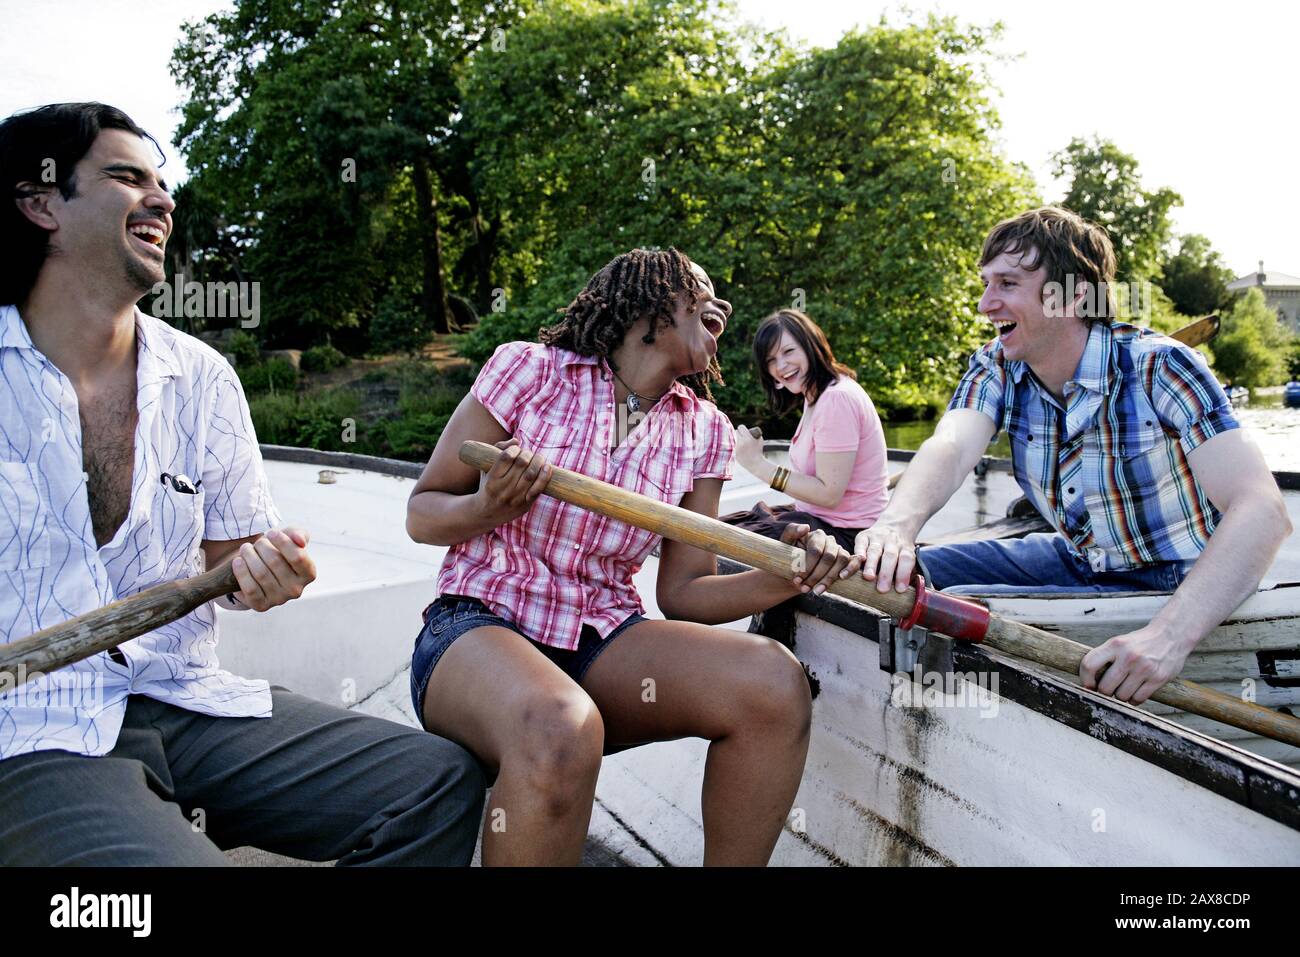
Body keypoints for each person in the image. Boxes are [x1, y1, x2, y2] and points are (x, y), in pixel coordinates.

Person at [0, 103, 485, 866]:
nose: (163, 199)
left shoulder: (201, 377)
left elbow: (234, 562)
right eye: (128, 177)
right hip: (28, 729)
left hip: (184, 695)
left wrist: (264, 572)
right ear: (40, 204)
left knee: (434, 783)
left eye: (165, 184)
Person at [406, 248, 856, 866]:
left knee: (773, 682)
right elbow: (423, 512)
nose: (721, 309)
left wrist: (788, 574)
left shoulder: (705, 429)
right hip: (477, 625)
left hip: (602, 640)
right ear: (651, 303)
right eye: (701, 294)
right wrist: (489, 508)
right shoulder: (531, 371)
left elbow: (684, 592)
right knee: (562, 724)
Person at [853, 206, 1292, 706]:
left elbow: (1263, 510)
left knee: (934, 597)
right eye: (985, 283)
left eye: (1007, 284)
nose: (984, 303)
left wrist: (1168, 636)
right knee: (897, 575)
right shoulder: (996, 365)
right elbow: (951, 447)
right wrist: (895, 528)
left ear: (1073, 293)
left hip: (1174, 576)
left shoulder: (1161, 365)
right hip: (1081, 560)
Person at [721, 308, 889, 635]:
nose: (781, 367)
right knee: (726, 531)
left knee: (751, 545)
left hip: (848, 533)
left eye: (788, 352)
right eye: (771, 360)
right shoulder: (816, 399)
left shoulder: (837, 399)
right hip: (818, 520)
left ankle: (770, 643)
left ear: (811, 345)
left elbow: (829, 493)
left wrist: (759, 466)